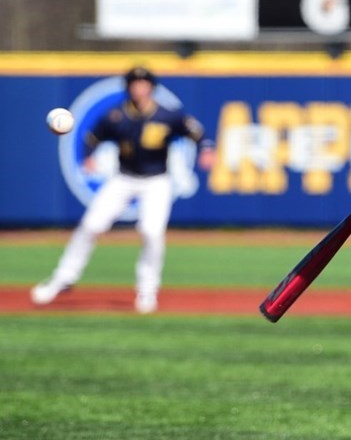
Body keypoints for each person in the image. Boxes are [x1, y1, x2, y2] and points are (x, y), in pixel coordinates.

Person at [31, 66, 216, 314]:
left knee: (151, 232)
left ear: (151, 87)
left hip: (156, 181)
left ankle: (147, 290)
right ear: (128, 88)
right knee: (91, 225)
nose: (139, 88)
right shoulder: (116, 115)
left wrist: (207, 149)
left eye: (143, 84)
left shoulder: (168, 114)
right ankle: (63, 278)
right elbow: (92, 138)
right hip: (123, 178)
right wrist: (88, 156)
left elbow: (197, 133)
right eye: (134, 84)